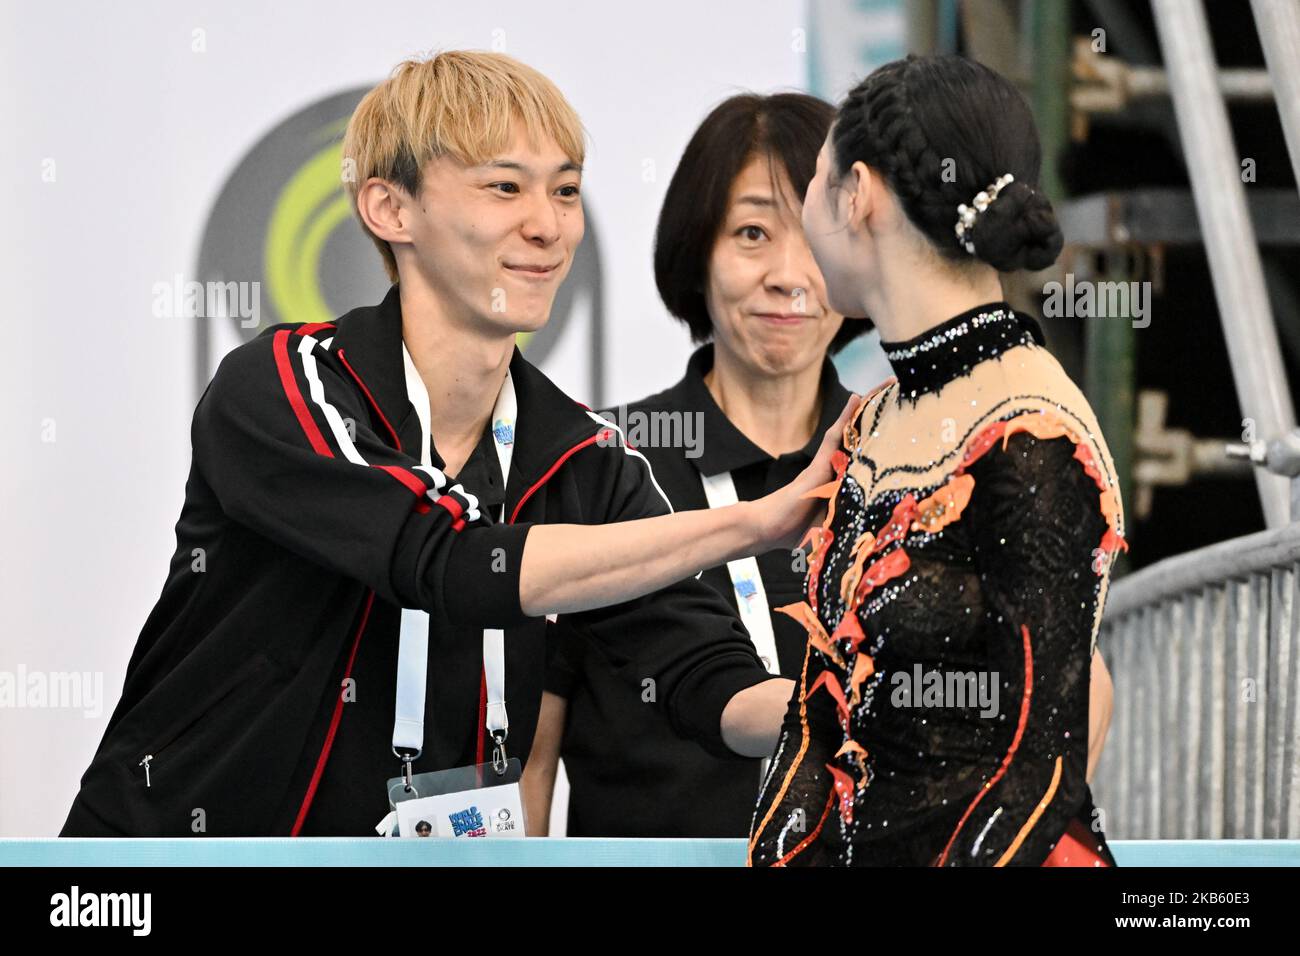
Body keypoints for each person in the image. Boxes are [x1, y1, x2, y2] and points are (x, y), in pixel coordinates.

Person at [58, 51, 848, 838]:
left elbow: (707, 679)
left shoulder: (586, 458)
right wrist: (757, 521)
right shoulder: (283, 385)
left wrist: (849, 710)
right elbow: (449, 558)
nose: (548, 224)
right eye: (505, 187)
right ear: (389, 209)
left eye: (565, 191)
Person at [526, 91, 1114, 839]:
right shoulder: (601, 460)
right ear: (694, 248)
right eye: (750, 234)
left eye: (810, 232)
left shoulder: (930, 458)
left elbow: (1061, 690)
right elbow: (531, 755)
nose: (787, 274)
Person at [748, 54, 1128, 866]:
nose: (806, 221)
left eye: (812, 186)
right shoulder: (876, 416)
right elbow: (817, 711)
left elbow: (1037, 769)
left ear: (857, 193)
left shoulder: (1030, 433)